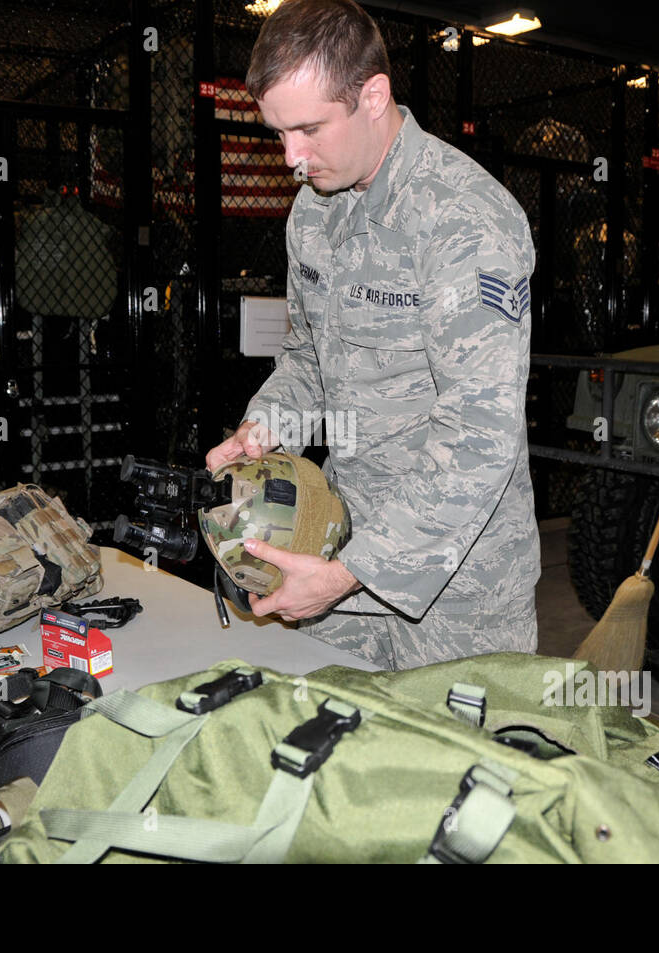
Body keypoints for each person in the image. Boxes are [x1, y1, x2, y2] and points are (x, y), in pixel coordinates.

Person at [205, 0, 540, 670]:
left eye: (307, 129)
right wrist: (265, 428)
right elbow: (307, 360)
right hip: (338, 549)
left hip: (457, 591)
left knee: (455, 769)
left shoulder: (463, 220)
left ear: (373, 96)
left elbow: (479, 433)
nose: (291, 159)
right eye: (279, 134)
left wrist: (352, 570)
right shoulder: (313, 216)